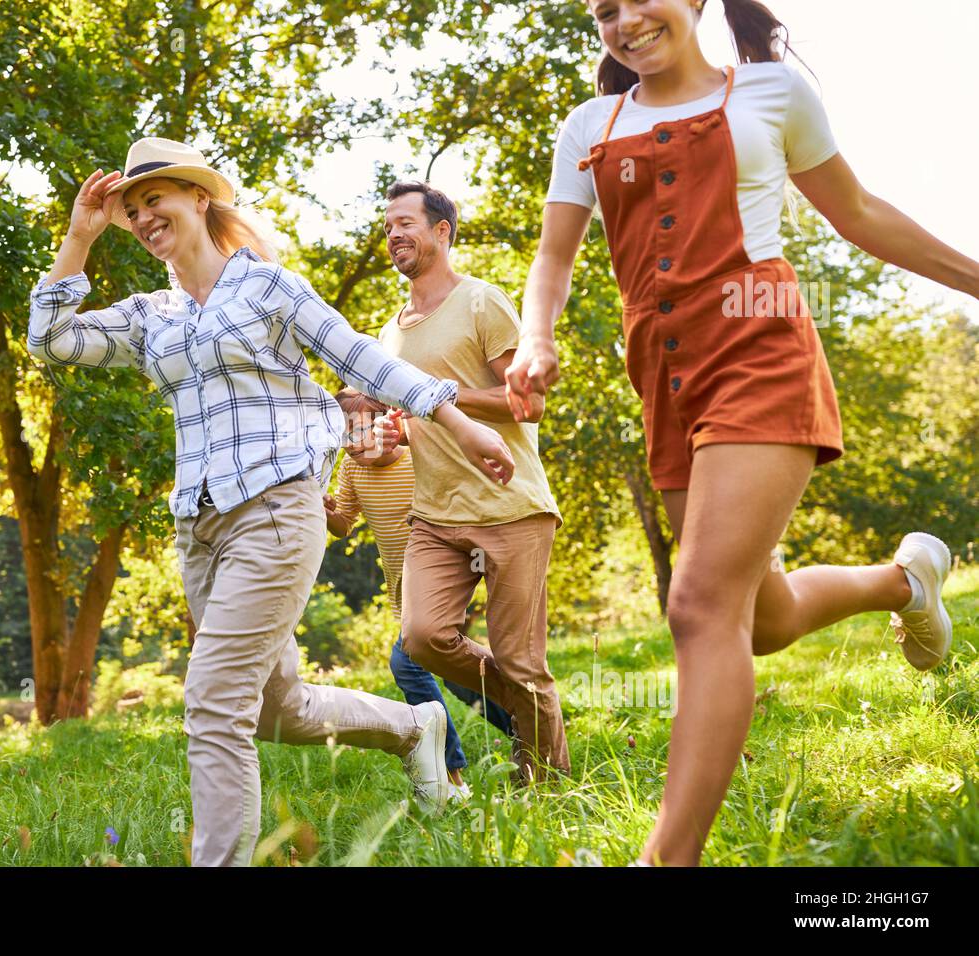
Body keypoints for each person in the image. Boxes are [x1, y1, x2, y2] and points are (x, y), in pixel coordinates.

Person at [505, 0, 978, 865]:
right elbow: (555, 258)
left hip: (760, 351)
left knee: (696, 607)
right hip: (664, 376)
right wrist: (536, 335)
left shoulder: (770, 94)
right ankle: (905, 581)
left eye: (636, 0)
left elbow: (859, 213)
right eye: (603, 10)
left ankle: (666, 858)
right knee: (754, 620)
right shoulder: (589, 124)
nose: (622, 20)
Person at [27, 137, 518, 866]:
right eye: (131, 209)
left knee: (214, 704)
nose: (143, 215)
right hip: (200, 528)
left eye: (153, 198)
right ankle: (418, 728)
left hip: (277, 512)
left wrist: (457, 418)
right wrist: (79, 237)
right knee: (272, 709)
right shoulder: (150, 315)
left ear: (198, 197)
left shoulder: (268, 288)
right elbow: (51, 339)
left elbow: (362, 357)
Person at [372, 181, 570, 786]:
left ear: (442, 231)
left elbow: (529, 404)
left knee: (519, 658)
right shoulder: (390, 335)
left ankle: (547, 783)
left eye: (406, 222)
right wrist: (392, 434)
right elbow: (421, 424)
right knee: (424, 638)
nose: (395, 235)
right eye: (388, 228)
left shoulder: (482, 302)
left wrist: (438, 395)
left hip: (510, 506)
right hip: (434, 513)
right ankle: (528, 706)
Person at [324, 387, 515, 797]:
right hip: (401, 587)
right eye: (342, 437)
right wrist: (324, 509)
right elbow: (343, 523)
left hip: (440, 578)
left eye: (359, 433)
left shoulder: (417, 458)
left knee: (407, 664)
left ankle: (449, 775)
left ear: (388, 425)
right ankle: (524, 724)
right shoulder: (353, 471)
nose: (351, 445)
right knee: (457, 674)